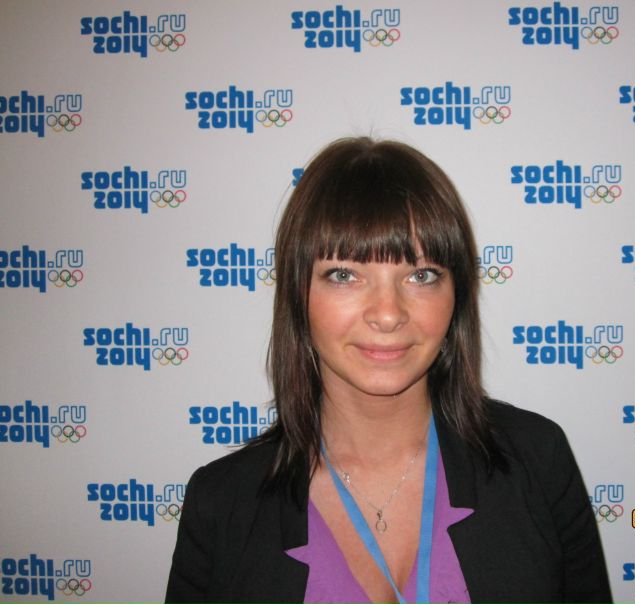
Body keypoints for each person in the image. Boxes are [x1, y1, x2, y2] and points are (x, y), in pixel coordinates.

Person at [165, 137, 612, 604]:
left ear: (456, 297)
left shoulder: (537, 459)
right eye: (344, 275)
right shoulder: (220, 502)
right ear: (298, 295)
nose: (387, 313)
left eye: (421, 275)